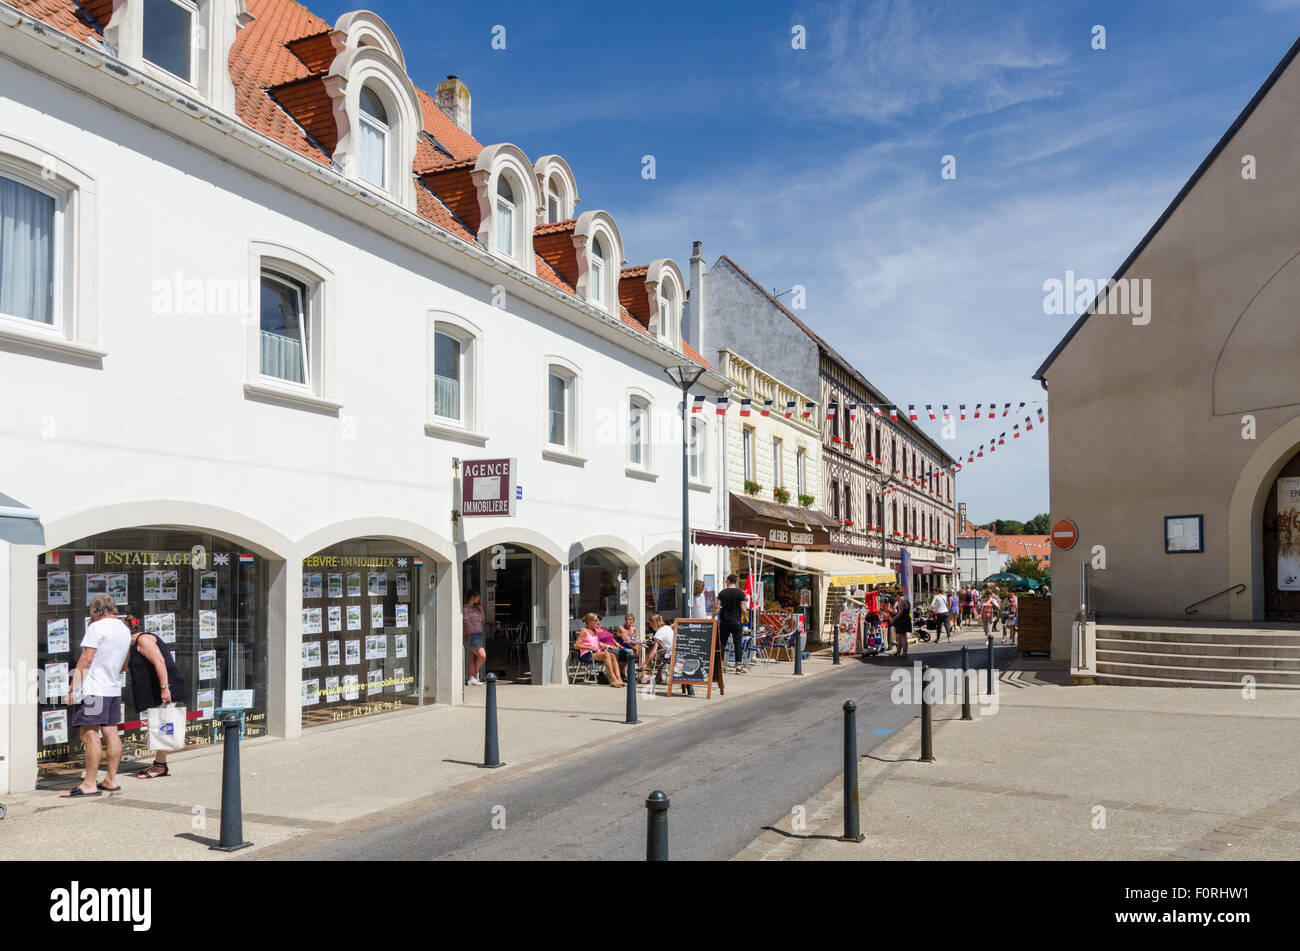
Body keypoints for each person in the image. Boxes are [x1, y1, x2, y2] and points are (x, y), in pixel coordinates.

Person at [61, 593, 131, 797]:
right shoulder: (123, 629)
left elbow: (86, 659)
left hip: (94, 689)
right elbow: (124, 665)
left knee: (89, 734)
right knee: (111, 732)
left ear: (94, 611)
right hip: (112, 688)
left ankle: (89, 783)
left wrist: (73, 688)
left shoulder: (96, 628)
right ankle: (110, 779)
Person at [576, 613, 626, 687]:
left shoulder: (594, 630)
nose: (598, 622)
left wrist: (610, 645)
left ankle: (619, 679)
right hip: (587, 654)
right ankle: (613, 679)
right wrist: (590, 648)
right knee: (606, 654)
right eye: (596, 621)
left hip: (596, 652)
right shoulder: (584, 631)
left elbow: (599, 642)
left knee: (613, 655)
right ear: (590, 622)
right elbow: (576, 645)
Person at [714, 574, 747, 673]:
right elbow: (743, 608)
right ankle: (738, 667)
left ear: (728, 581)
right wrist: (745, 617)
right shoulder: (740, 593)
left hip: (725, 621)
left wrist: (712, 617)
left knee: (722, 643)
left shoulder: (722, 593)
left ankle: (719, 666)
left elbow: (717, 607)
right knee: (738, 643)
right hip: (736, 622)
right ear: (735, 581)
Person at [462, 590, 486, 686]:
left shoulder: (475, 608)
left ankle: (472, 678)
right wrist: (467, 634)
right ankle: (475, 675)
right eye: (478, 597)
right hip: (471, 635)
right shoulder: (466, 608)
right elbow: (464, 622)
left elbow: (483, 619)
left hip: (478, 634)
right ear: (473, 597)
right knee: (482, 655)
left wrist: (481, 608)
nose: (479, 599)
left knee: (472, 658)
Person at [891, 590, 912, 658]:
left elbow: (900, 613)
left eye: (896, 595)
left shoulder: (901, 601)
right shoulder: (907, 600)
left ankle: (904, 652)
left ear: (898, 595)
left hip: (902, 620)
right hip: (905, 619)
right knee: (898, 636)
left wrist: (893, 619)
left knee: (902, 637)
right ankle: (898, 652)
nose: (895, 597)